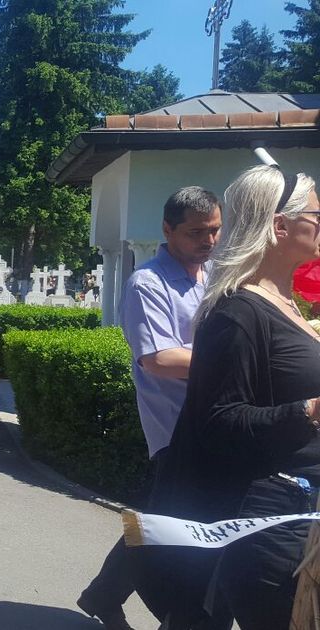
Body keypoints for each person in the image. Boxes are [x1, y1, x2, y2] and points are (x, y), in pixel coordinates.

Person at [137, 165, 320, 629]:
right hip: (274, 523)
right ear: (279, 225)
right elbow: (219, 421)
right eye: (316, 215)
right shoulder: (237, 311)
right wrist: (308, 410)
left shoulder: (285, 304)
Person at [78, 186, 221, 630]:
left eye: (215, 230)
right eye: (197, 232)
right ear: (167, 229)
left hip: (215, 426)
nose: (209, 241)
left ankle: (103, 595)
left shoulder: (214, 274)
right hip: (175, 430)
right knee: (173, 529)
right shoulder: (149, 283)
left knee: (164, 522)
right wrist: (236, 360)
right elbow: (158, 359)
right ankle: (179, 616)